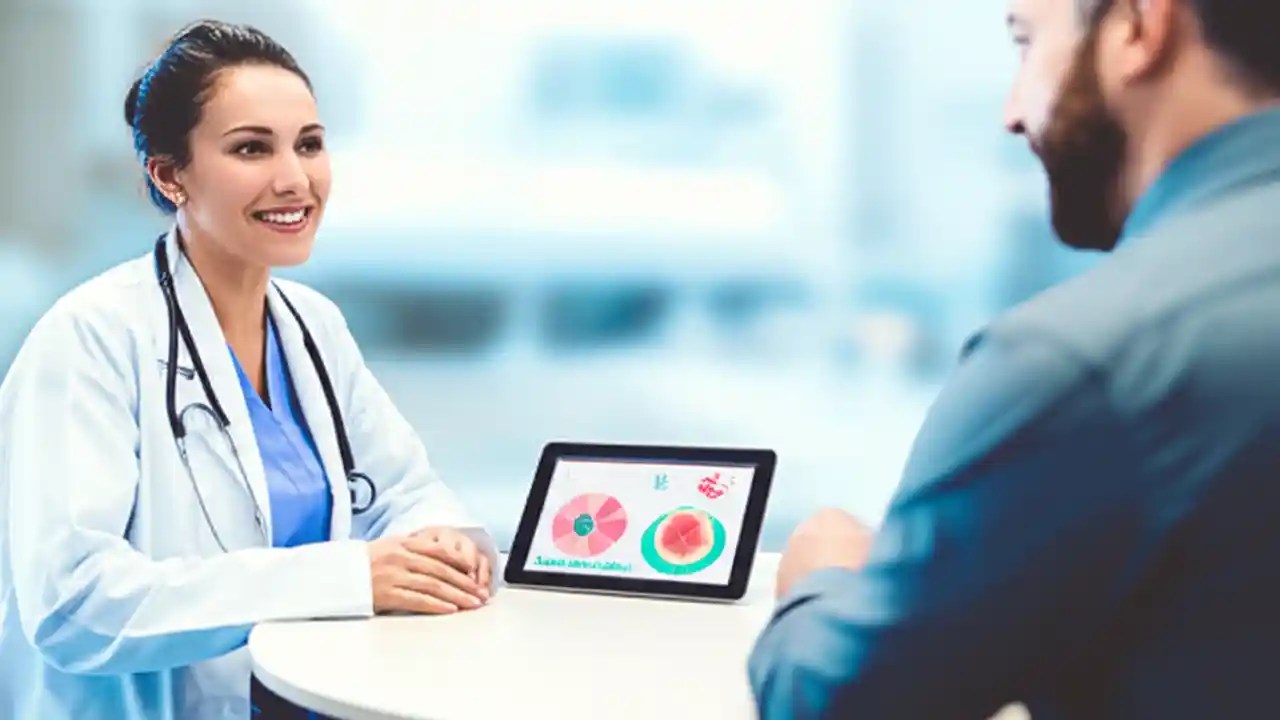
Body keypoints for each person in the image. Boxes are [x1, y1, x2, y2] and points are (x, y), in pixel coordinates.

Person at [748, 0, 1280, 717]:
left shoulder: (1087, 361)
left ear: (1138, 27)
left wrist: (824, 577)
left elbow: (839, 703)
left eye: (1027, 44)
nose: (1013, 112)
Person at [0, 20, 497, 720]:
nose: (294, 179)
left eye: (309, 144)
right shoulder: (91, 338)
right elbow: (74, 602)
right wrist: (346, 578)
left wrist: (441, 541)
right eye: (251, 148)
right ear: (169, 175)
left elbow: (403, 490)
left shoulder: (314, 327)